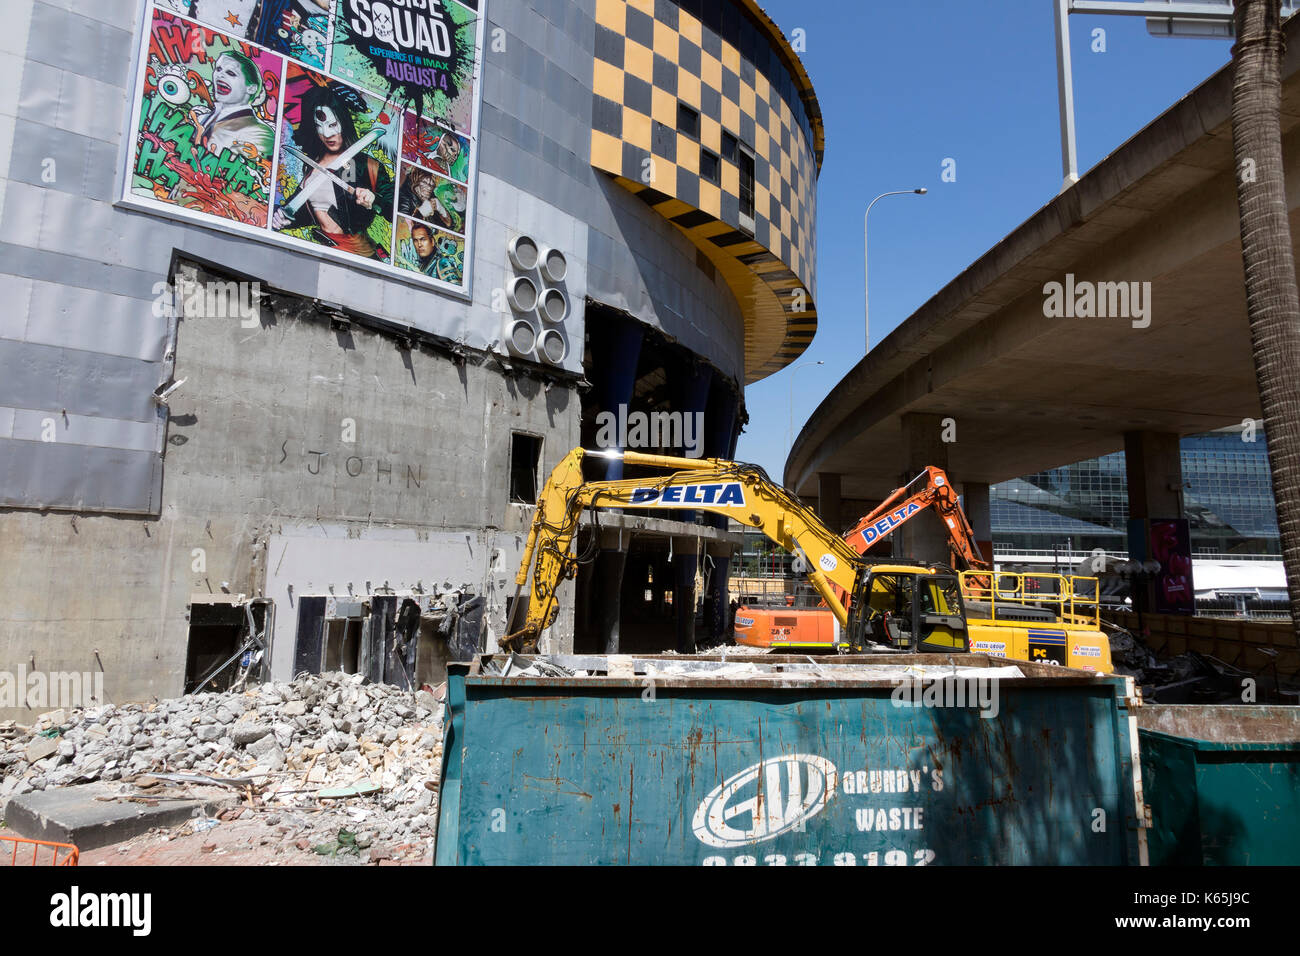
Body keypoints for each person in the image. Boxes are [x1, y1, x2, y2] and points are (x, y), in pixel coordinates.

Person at [273, 84, 393, 259]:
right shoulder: (311, 166)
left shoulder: (367, 166)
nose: (326, 133)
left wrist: (374, 200)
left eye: (332, 124)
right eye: (318, 126)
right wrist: (281, 217)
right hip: (322, 247)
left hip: (359, 252)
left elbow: (394, 209)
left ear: (343, 121)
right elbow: (304, 212)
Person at [197, 50, 274, 160]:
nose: (220, 75)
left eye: (231, 73)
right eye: (218, 69)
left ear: (251, 88)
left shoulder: (261, 132)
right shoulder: (203, 118)